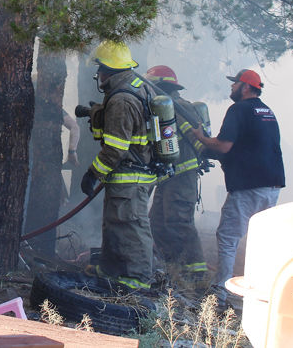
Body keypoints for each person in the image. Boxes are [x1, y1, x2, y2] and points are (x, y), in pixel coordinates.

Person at [190, 68, 284, 303]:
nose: (231, 87)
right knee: (260, 239)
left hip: (247, 186)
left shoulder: (238, 109)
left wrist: (200, 138)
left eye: (235, 84)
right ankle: (258, 295)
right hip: (271, 185)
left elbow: (223, 146)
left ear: (245, 87)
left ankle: (219, 294)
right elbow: (250, 146)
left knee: (228, 236)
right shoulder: (267, 111)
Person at [79, 41, 165, 292]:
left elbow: (115, 147)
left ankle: (137, 280)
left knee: (131, 226)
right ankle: (110, 269)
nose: (98, 74)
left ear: (109, 69)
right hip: (131, 173)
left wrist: (92, 173)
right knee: (115, 223)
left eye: (100, 69)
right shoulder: (136, 87)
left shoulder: (122, 100)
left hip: (131, 174)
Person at [144, 65, 210, 283]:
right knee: (158, 222)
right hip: (169, 177)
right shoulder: (171, 107)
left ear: (158, 86)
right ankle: (172, 267)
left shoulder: (176, 109)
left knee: (179, 222)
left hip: (182, 176)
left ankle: (197, 274)